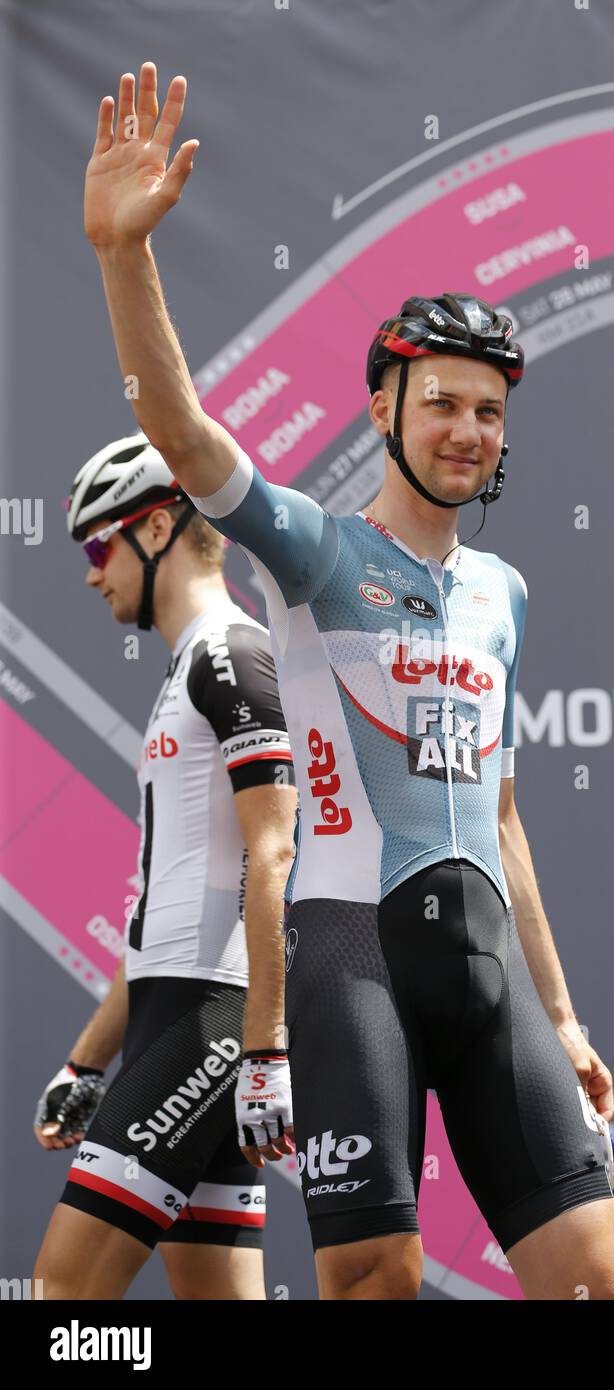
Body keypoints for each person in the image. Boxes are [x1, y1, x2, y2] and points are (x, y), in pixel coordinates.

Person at [81, 61, 614, 1302]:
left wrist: (565, 1014)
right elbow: (183, 436)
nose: (467, 432)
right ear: (383, 404)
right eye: (441, 402)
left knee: (598, 1287)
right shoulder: (316, 551)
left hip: (489, 970)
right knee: (376, 1280)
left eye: (489, 413)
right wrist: (126, 255)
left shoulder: (504, 595)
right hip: (352, 963)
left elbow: (498, 818)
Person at [32, 433, 297, 1299]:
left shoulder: (231, 653)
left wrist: (263, 1047)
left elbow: (277, 852)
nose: (89, 571)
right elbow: (162, 912)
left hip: (211, 1020)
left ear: (154, 528)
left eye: (97, 545)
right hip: (177, 1009)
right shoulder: (193, 666)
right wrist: (85, 1062)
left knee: (66, 1295)